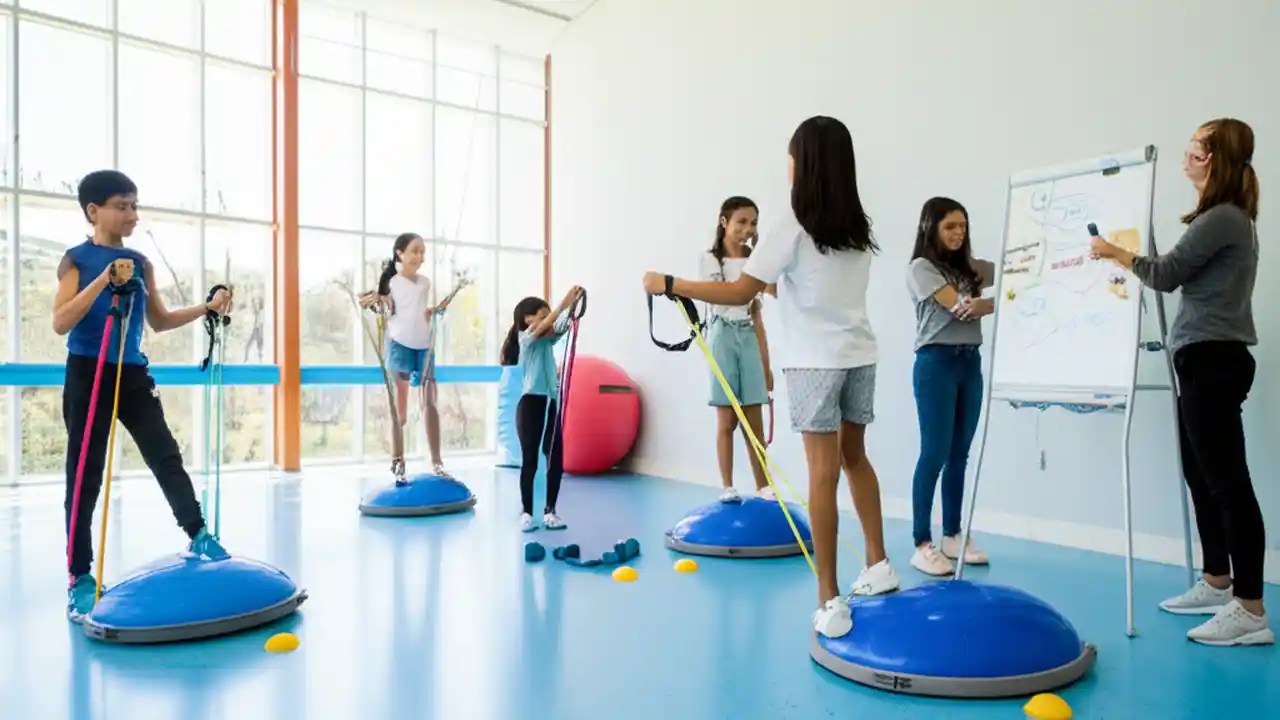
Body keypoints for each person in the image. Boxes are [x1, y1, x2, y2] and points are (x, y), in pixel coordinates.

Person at [644, 115, 899, 638]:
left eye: (789, 156)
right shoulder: (855, 226)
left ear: (802, 164)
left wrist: (670, 283)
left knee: (822, 474)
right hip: (859, 356)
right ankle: (879, 565)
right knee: (855, 458)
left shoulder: (791, 223)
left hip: (815, 363)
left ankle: (827, 598)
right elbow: (803, 288)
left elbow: (740, 292)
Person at [1091, 117, 1270, 646]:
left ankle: (1251, 609)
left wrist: (1116, 253)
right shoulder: (1221, 217)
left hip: (1214, 360)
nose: (1186, 156)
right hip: (1200, 359)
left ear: (1213, 159)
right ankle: (1219, 579)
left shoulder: (1224, 218)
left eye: (1194, 149)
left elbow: (1166, 274)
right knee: (1201, 475)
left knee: (1228, 484)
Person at [53, 169, 232, 621]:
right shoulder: (76, 259)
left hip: (131, 373)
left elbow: (161, 320)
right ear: (94, 211)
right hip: (87, 372)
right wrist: (105, 282)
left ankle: (199, 534)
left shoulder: (141, 261)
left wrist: (206, 308)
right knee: (85, 475)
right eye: (122, 205)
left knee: (164, 455)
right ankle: (80, 575)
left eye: (135, 205)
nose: (132, 214)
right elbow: (61, 321)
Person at [905, 197, 995, 576]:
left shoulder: (970, 268)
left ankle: (953, 534)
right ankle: (922, 542)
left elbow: (1012, 265)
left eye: (962, 226)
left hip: (968, 362)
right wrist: (1008, 300)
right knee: (935, 453)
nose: (958, 233)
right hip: (936, 364)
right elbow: (961, 308)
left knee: (960, 452)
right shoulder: (921, 268)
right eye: (950, 227)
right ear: (931, 228)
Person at [698, 196, 773, 502]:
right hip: (722, 335)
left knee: (754, 417)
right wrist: (749, 285)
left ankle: (764, 485)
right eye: (741, 221)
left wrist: (766, 366)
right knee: (726, 418)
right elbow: (725, 295)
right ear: (724, 222)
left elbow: (757, 313)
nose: (748, 228)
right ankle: (727, 485)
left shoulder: (757, 261)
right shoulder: (710, 259)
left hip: (748, 335)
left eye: (753, 223)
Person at [362, 233, 453, 479]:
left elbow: (418, 312)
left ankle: (437, 462)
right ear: (400, 253)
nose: (420, 256)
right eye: (414, 250)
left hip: (425, 346)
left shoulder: (425, 282)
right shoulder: (391, 282)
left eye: (422, 251)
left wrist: (432, 311)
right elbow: (382, 306)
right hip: (399, 345)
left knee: (430, 403)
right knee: (399, 410)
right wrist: (373, 301)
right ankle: (398, 460)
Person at [499, 286, 584, 533]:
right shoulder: (527, 339)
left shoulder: (548, 341)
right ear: (527, 320)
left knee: (554, 459)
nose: (548, 319)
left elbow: (560, 326)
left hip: (551, 404)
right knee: (530, 461)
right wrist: (562, 305)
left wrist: (572, 307)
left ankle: (551, 511)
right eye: (542, 314)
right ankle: (526, 512)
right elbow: (544, 326)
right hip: (530, 405)